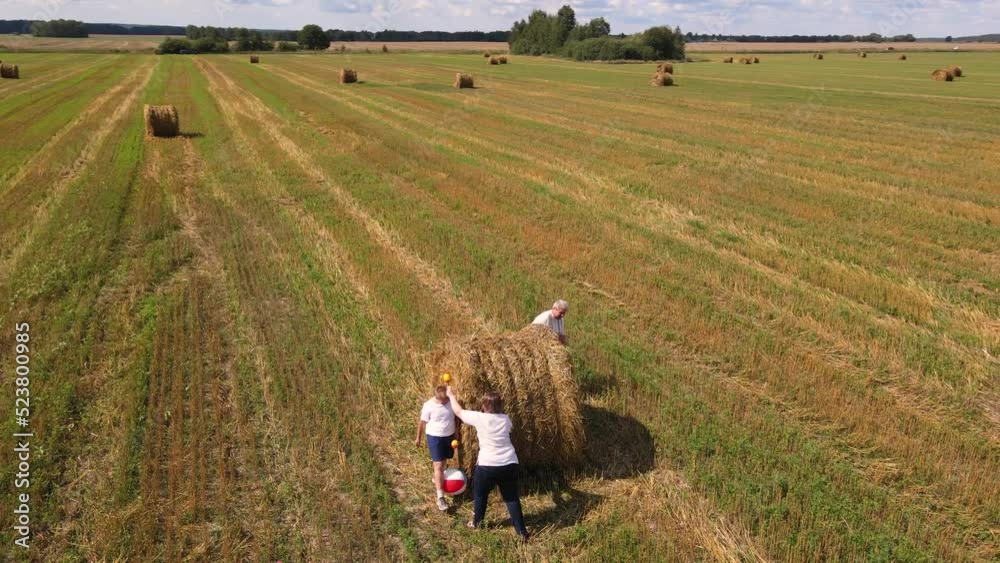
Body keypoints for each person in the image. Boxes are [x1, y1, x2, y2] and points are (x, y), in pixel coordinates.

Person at [446, 386, 530, 542]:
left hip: (487, 465)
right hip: (509, 463)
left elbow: (458, 412)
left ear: (484, 406)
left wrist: (450, 395)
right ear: (500, 406)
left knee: (480, 495)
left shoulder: (480, 417)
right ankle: (522, 532)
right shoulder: (506, 419)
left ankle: (477, 522)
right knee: (511, 498)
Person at [415, 385, 459, 511]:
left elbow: (456, 416)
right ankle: (440, 498)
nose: (446, 402)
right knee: (438, 465)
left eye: (447, 399)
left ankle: (437, 477)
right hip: (435, 437)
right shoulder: (428, 405)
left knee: (444, 461)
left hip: (449, 437)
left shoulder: (451, 401)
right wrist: (418, 438)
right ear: (437, 398)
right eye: (444, 400)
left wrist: (456, 431)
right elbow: (422, 422)